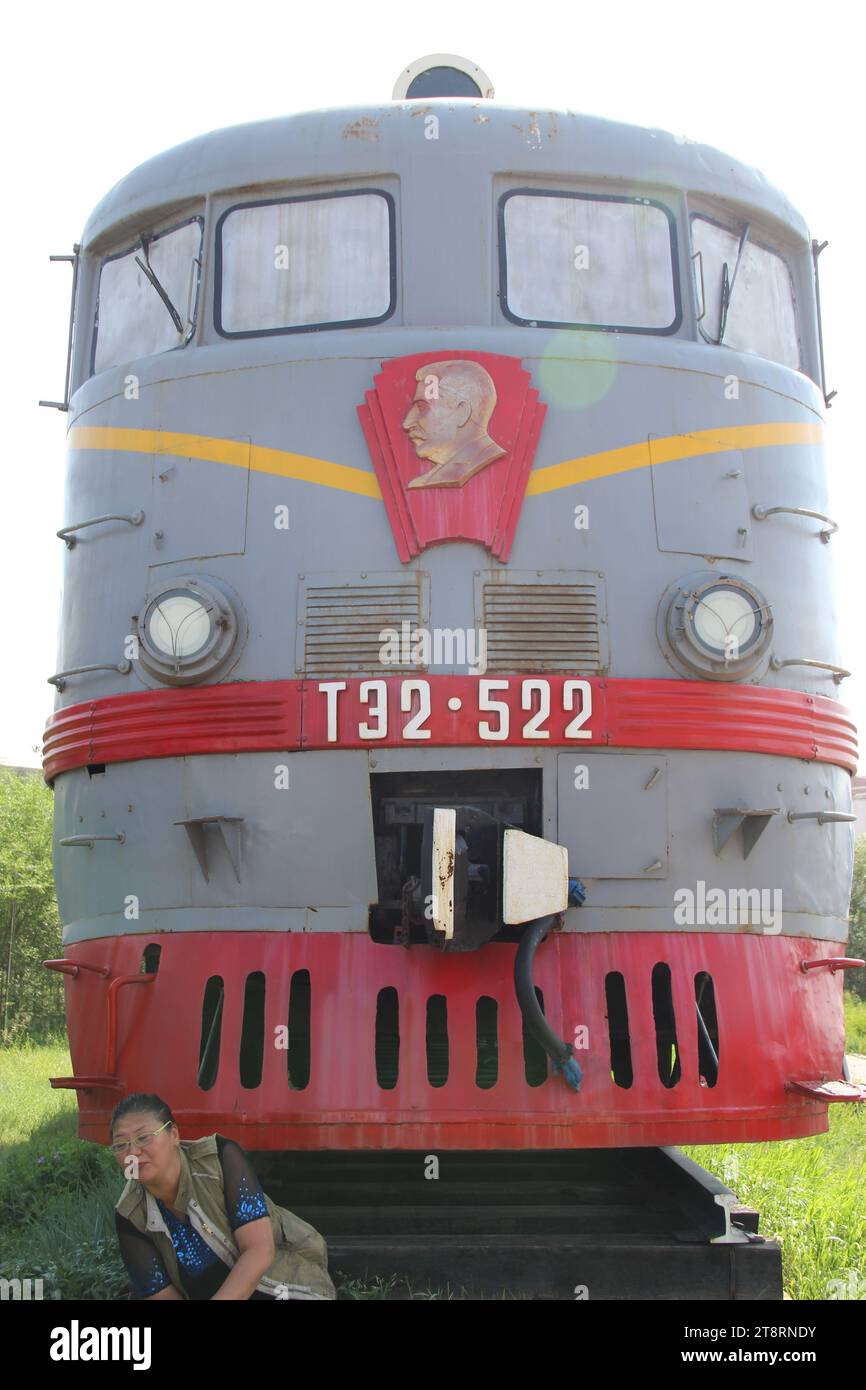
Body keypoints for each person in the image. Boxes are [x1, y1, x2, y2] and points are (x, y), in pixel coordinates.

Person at [111, 1092, 335, 1301]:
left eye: (144, 1138)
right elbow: (160, 1293)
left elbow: (259, 1250)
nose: (133, 1152)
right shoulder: (129, 1214)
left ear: (174, 1135)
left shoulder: (219, 1159)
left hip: (283, 1287)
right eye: (121, 1144)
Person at [403, 359, 506, 488]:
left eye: (422, 407)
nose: (407, 423)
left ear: (462, 412)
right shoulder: (432, 477)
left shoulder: (455, 471)